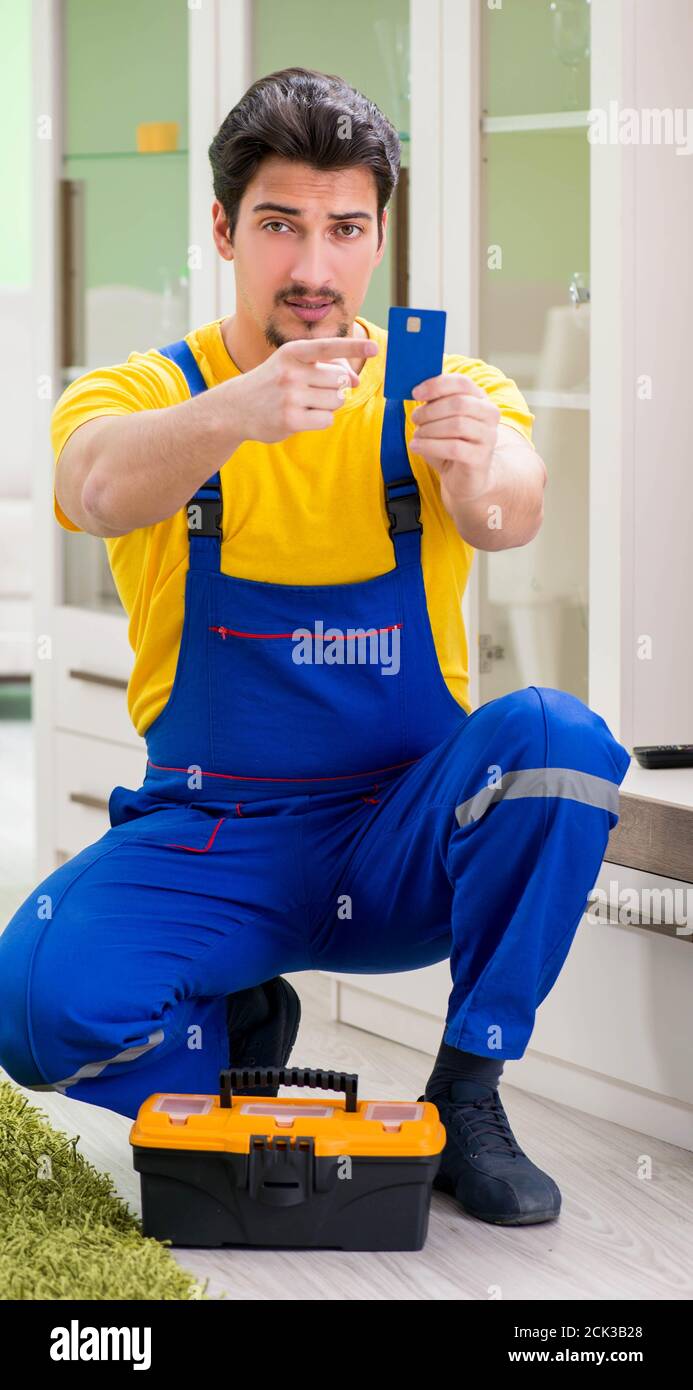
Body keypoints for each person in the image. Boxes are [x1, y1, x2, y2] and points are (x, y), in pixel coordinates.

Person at [0, 68, 630, 1226]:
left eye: (346, 230)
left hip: (399, 838)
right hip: (210, 837)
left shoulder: (443, 393)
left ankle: (469, 1091)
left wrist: (477, 462)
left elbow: (515, 512)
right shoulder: (150, 394)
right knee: (35, 997)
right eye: (282, 225)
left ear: (379, 236)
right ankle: (238, 1036)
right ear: (225, 229)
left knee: (560, 742)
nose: (313, 268)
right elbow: (89, 489)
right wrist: (239, 412)